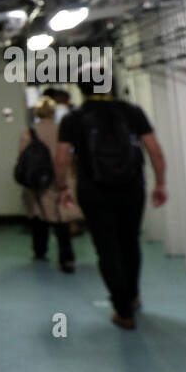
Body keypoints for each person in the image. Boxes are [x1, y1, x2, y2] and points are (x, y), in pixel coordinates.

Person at [55, 79, 168, 330]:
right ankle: (133, 295)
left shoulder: (73, 118)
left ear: (81, 89)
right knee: (129, 242)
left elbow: (61, 158)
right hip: (131, 189)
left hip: (93, 191)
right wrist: (160, 183)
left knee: (106, 248)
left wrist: (63, 188)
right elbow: (155, 150)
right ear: (108, 86)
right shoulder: (132, 111)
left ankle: (123, 310)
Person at [18, 97, 74, 272]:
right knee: (60, 218)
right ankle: (66, 257)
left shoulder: (29, 132)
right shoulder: (62, 131)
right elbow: (69, 157)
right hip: (58, 178)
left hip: (37, 181)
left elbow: (22, 158)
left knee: (38, 216)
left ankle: (40, 251)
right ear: (53, 112)